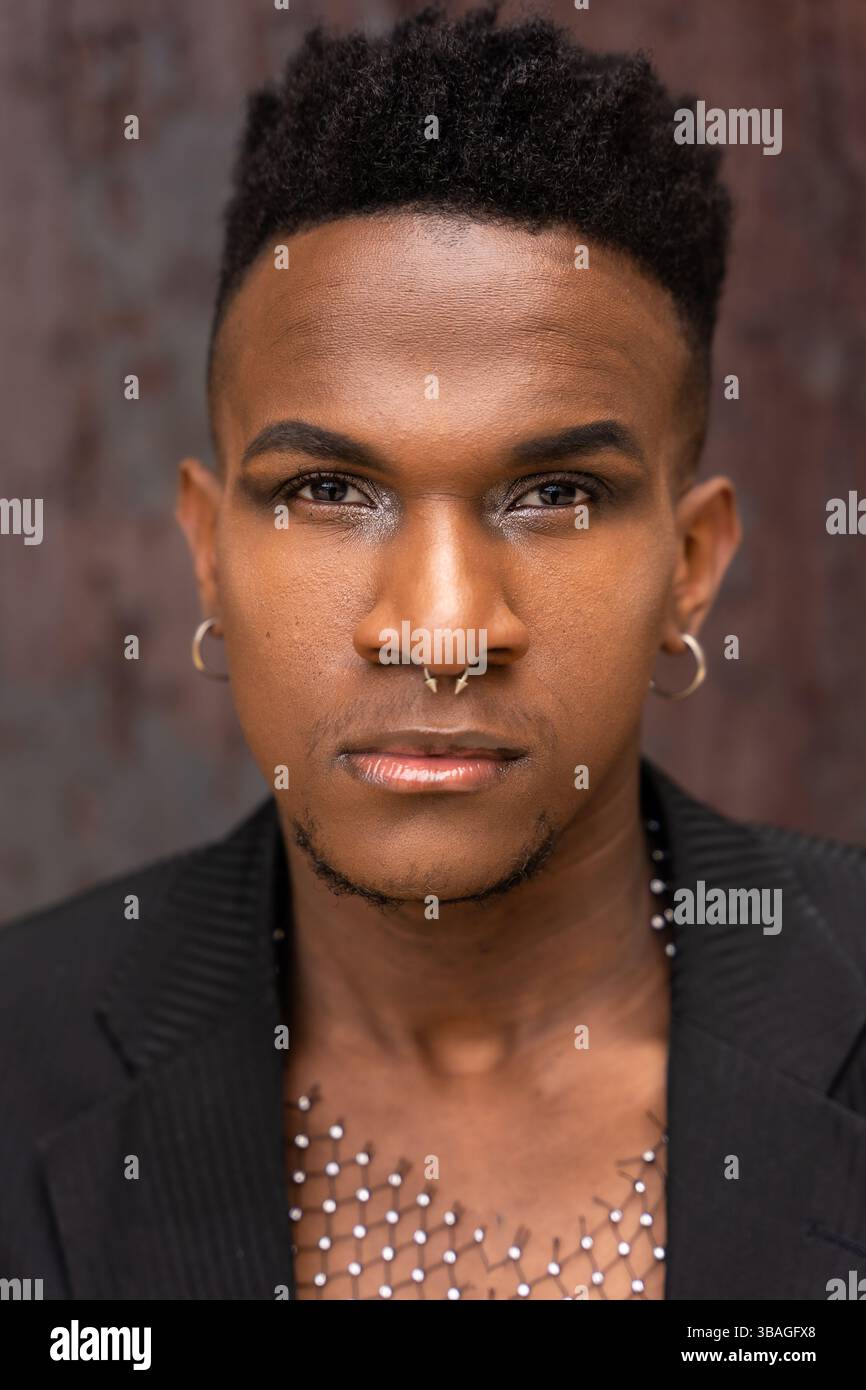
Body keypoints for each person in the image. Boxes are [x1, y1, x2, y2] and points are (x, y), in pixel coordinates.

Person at [2, 2, 865, 1302]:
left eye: (555, 492)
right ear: (207, 550)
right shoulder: (21, 1054)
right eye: (329, 491)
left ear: (689, 565)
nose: (441, 625)